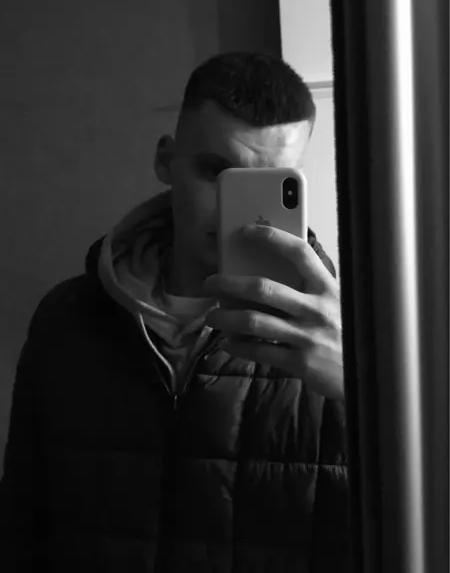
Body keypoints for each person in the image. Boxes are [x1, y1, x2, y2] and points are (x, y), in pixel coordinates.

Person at [0, 52, 351, 572]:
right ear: (166, 160)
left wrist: (363, 391)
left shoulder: (347, 338)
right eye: (215, 171)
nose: (233, 209)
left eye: (266, 185)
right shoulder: (67, 320)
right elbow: (21, 522)